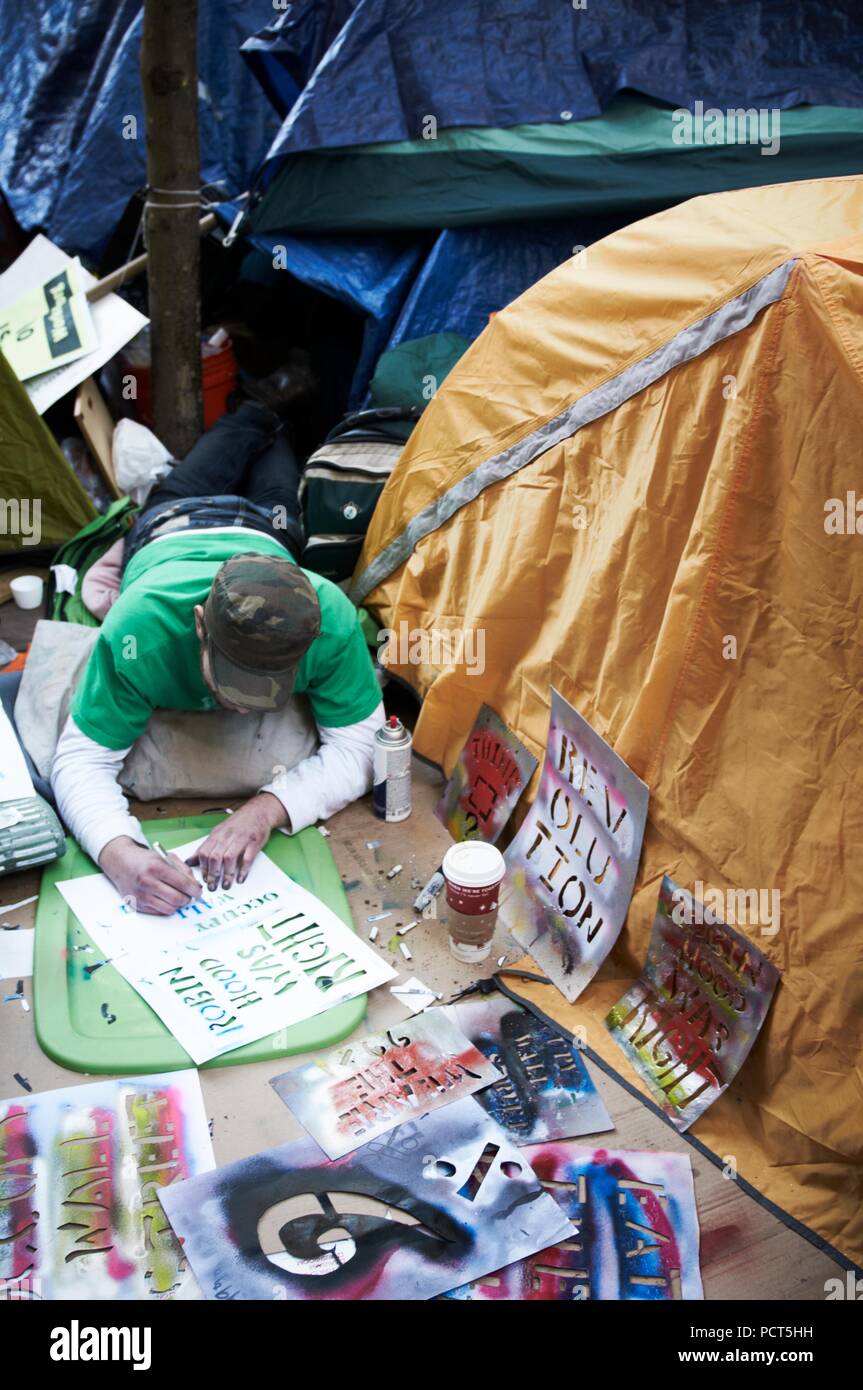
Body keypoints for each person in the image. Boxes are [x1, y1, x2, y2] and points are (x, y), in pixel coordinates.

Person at [51, 399, 384, 915]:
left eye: (267, 687)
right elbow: (81, 759)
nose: (245, 710)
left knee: (280, 455)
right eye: (231, 682)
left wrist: (265, 810)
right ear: (200, 626)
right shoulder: (140, 628)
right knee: (253, 422)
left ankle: (277, 414)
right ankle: (260, 406)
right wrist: (119, 855)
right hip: (169, 522)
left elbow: (365, 744)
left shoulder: (329, 619)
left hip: (267, 534)